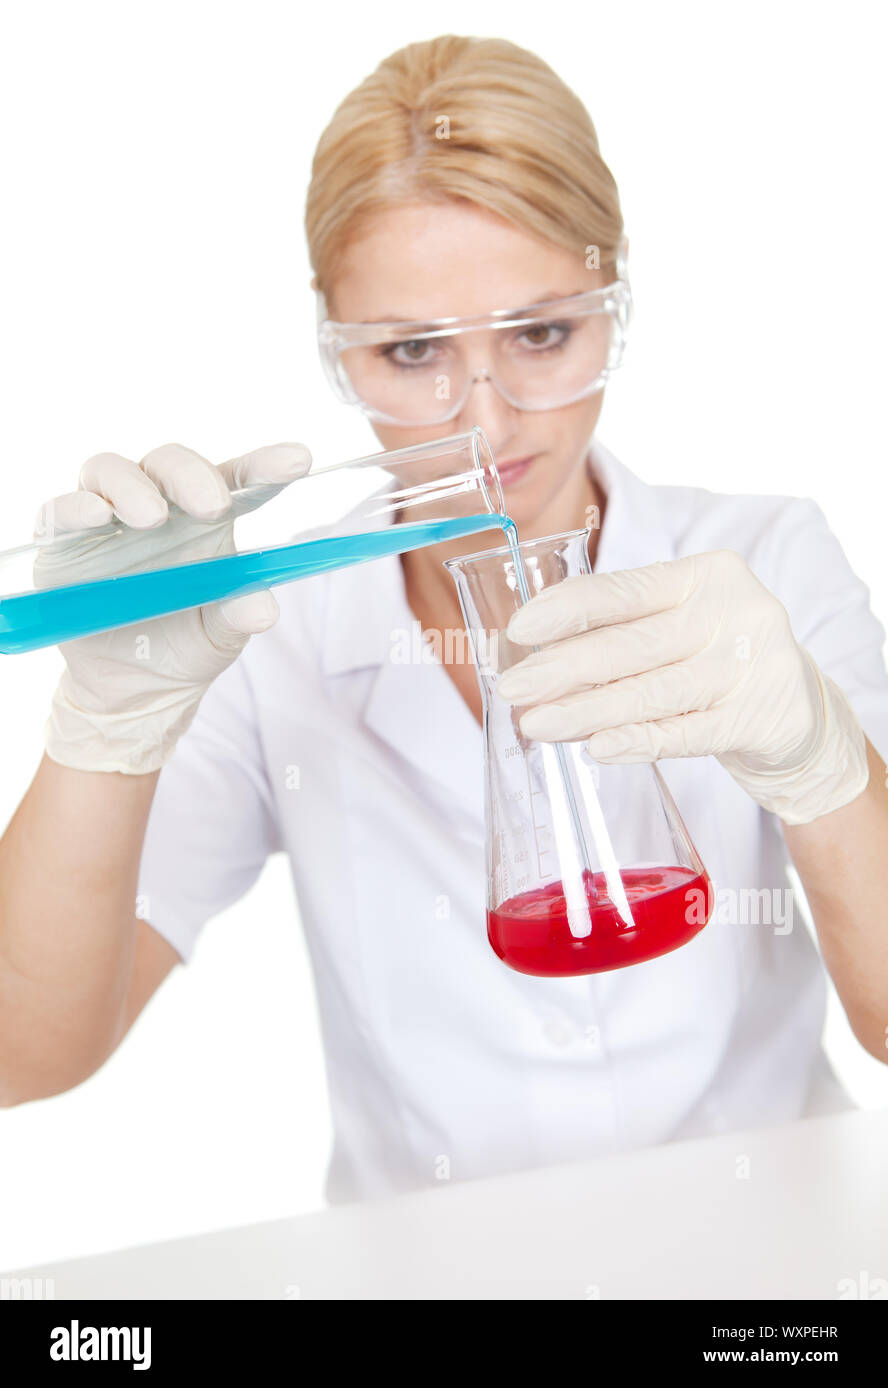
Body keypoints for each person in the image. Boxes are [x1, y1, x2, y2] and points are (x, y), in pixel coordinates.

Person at [1, 35, 886, 1206]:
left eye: (541, 333)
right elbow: (26, 1053)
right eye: (412, 350)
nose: (487, 415)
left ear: (612, 306)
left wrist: (825, 766)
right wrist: (100, 730)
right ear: (337, 345)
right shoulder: (270, 630)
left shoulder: (765, 560)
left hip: (767, 1289)